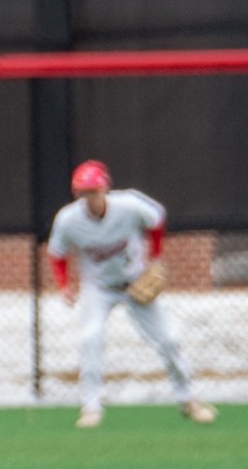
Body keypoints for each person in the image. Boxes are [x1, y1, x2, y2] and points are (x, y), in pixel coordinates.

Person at [48, 159, 217, 429]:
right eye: (83, 192)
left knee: (169, 340)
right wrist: (65, 285)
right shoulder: (68, 219)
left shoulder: (129, 205)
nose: (89, 197)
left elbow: (157, 218)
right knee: (90, 338)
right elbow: (57, 253)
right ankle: (91, 408)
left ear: (105, 188)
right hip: (99, 288)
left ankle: (188, 400)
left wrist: (156, 257)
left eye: (93, 191)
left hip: (135, 282)